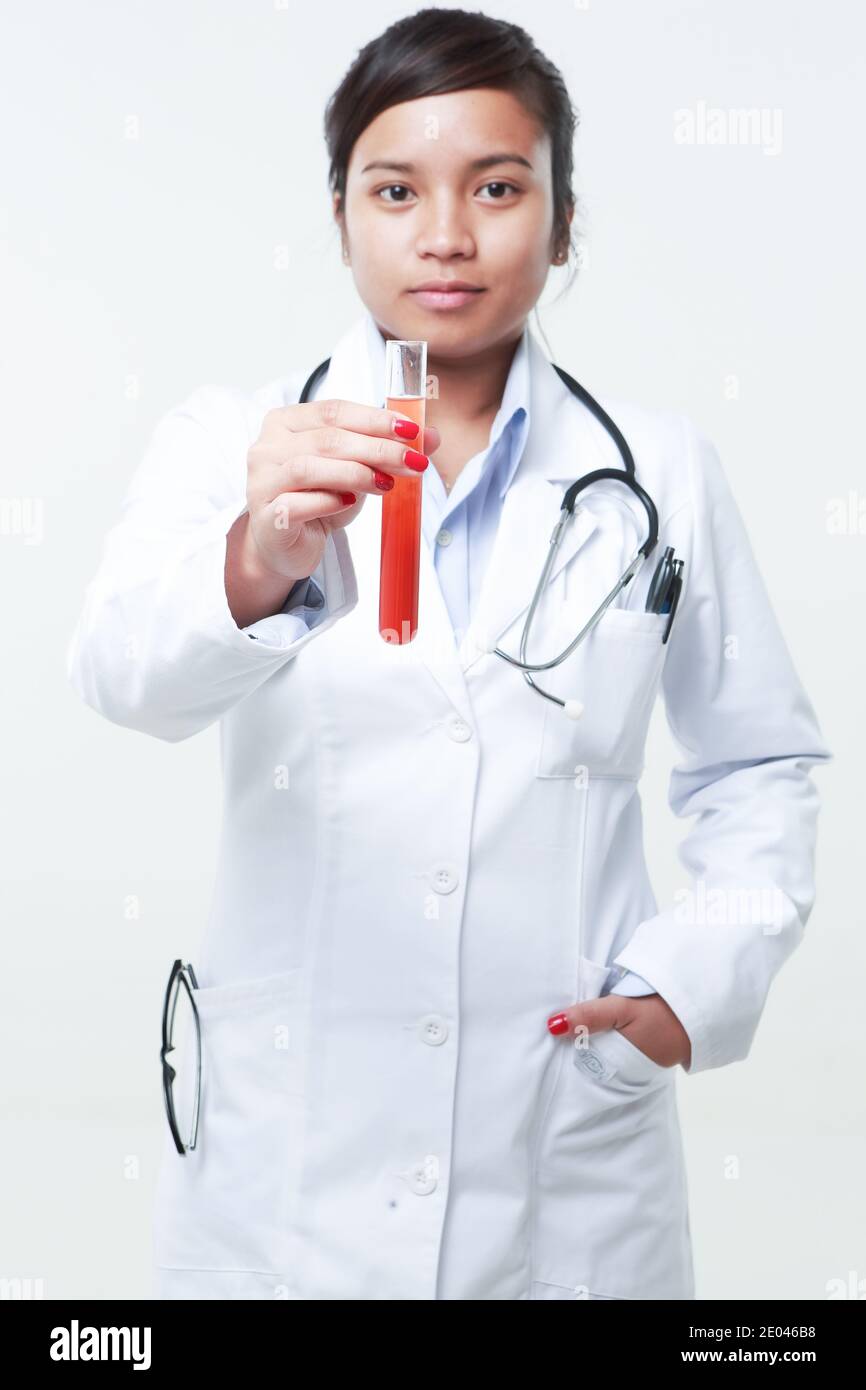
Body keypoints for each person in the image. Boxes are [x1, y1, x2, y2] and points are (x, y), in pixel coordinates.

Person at [67, 7, 832, 1301]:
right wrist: (261, 551)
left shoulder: (658, 471)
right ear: (340, 215)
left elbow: (758, 761)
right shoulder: (233, 440)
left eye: (496, 186)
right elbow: (122, 679)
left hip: (559, 1135)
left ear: (564, 216)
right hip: (296, 1131)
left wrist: (684, 981)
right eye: (394, 189)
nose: (444, 233)